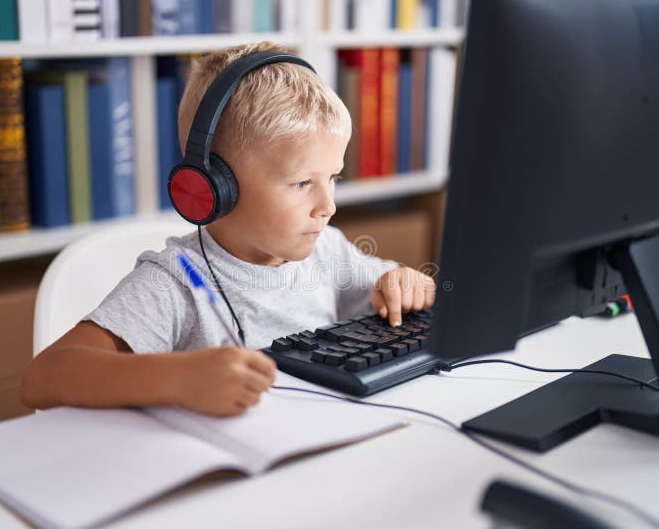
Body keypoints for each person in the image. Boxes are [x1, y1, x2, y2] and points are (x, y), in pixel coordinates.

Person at [21, 42, 436, 417]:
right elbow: (43, 378)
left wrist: (404, 282)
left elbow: (394, 289)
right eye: (301, 183)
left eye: (333, 178)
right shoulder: (176, 282)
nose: (328, 206)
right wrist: (178, 377)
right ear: (215, 187)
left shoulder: (327, 249)